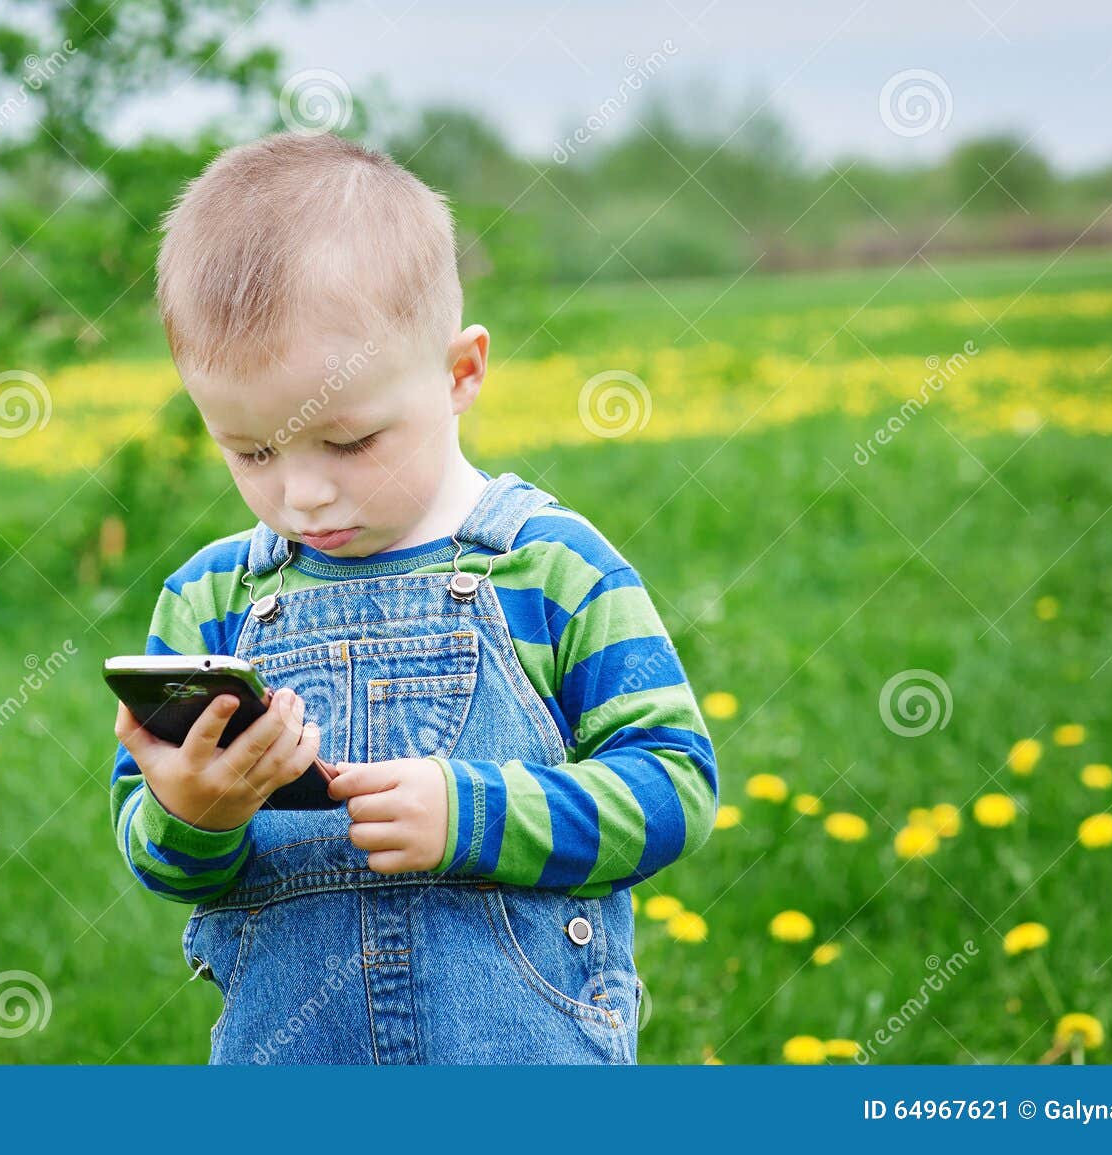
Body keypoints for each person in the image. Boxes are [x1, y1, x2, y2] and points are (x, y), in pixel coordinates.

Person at [110, 132, 718, 1064]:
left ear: (461, 371)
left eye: (349, 443)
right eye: (254, 452)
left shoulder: (551, 567)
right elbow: (161, 860)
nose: (303, 494)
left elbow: (676, 785)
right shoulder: (210, 601)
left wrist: (475, 814)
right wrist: (196, 812)